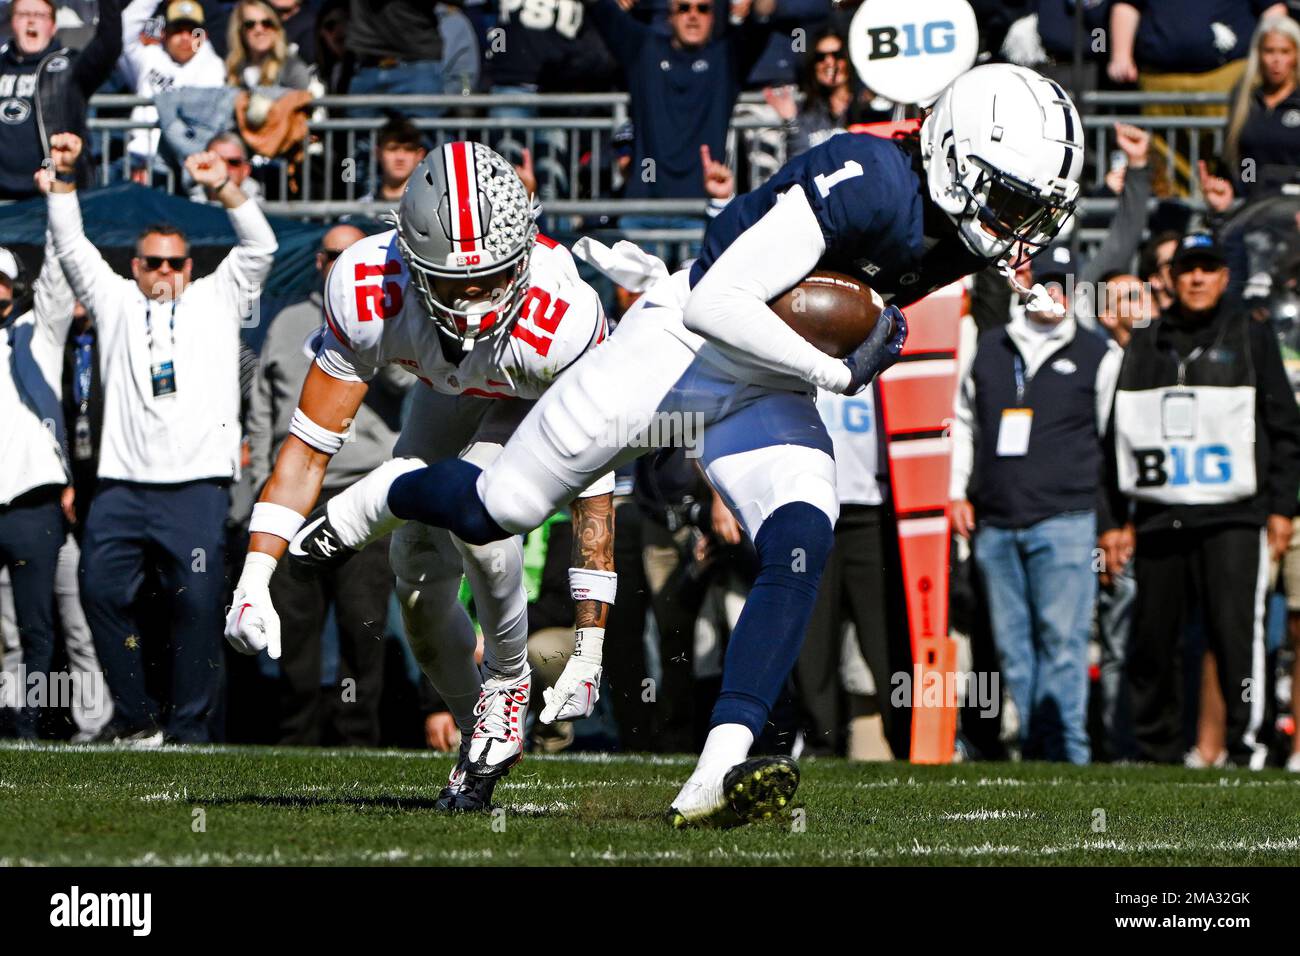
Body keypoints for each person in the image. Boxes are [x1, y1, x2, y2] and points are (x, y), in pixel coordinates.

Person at [303, 64, 1085, 825]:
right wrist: (833, 368)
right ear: (954, 158)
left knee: (800, 540)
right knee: (499, 507)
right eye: (1012, 197)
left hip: (766, 382)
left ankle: (717, 771)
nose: (1021, 222)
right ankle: (383, 494)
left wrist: (822, 363)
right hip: (680, 350)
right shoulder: (873, 178)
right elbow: (718, 301)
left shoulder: (955, 221)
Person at [224, 143, 616, 809]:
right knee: (416, 585)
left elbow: (597, 490)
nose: (474, 302)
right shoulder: (368, 287)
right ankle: (480, 737)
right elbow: (308, 449)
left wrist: (593, 640)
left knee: (490, 510)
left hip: (525, 395)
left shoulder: (562, 318)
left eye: (491, 279)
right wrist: (254, 576)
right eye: (455, 282)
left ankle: (508, 678)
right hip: (447, 388)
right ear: (406, 253)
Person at [43, 132, 278, 744]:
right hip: (121, 489)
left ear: (190, 265)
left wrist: (222, 186)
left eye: (176, 262)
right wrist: (64, 180)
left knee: (199, 609)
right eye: (153, 262)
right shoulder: (113, 298)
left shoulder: (217, 299)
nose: (165, 272)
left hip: (195, 490)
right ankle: (136, 718)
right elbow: (70, 244)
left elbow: (260, 243)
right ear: (136, 265)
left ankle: (190, 730)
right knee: (97, 590)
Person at [1100, 231, 1300, 767]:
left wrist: (1281, 507)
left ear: (1224, 276)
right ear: (1171, 277)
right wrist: (1115, 519)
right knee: (1151, 639)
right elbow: (1118, 433)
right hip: (1161, 516)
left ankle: (1246, 746)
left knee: (1237, 638)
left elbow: (1285, 427)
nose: (1196, 278)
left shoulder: (1251, 335)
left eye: (1208, 268)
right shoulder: (1147, 341)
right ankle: (1155, 750)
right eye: (1188, 268)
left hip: (1234, 516)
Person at [951, 251, 1122, 765]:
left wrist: (1111, 521)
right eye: (1045, 282)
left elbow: (1112, 440)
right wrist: (957, 490)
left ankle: (1068, 750)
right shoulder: (989, 347)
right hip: (996, 519)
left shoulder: (1099, 353)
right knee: (1013, 649)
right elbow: (963, 424)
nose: (1054, 294)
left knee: (1064, 643)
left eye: (1063, 284)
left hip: (1066, 517)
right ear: (1026, 285)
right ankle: (1033, 745)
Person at [247, 224, 410, 745]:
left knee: (363, 625)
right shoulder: (289, 321)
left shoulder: (391, 313)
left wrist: (373, 323)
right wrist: (256, 488)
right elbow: (262, 411)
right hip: (297, 493)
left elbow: (406, 382)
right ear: (319, 262)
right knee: (295, 627)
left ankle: (358, 738)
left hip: (364, 493)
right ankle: (297, 736)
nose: (341, 262)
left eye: (352, 254)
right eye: (332, 255)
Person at [587, 0, 788, 229]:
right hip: (642, 208)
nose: (693, 15)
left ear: (713, 17)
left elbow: (762, 16)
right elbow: (598, 6)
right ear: (669, 16)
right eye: (684, 8)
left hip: (700, 211)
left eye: (702, 9)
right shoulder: (643, 48)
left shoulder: (727, 58)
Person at [0, 238, 75, 739]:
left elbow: (56, 282)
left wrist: (58, 190)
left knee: (36, 627)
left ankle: (27, 730)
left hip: (32, 504)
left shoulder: (38, 332)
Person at [0, 0, 122, 199]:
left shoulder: (70, 66)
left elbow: (109, 45)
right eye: (23, 14)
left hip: (52, 193)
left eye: (40, 15)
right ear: (11, 22)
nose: (31, 21)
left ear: (53, 26)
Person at [119, 0, 226, 180]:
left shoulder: (213, 68)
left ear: (203, 35)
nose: (185, 37)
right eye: (177, 30)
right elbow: (124, 29)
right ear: (164, 34)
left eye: (192, 31)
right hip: (139, 159)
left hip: (186, 164)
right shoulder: (148, 57)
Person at [1226, 14, 1300, 199]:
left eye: (1284, 52)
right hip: (1255, 206)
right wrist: (1240, 190)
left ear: (1296, 55)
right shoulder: (1246, 99)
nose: (1276, 60)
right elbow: (1246, 160)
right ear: (1258, 54)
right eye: (1269, 51)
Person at [764, 29, 863, 159]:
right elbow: (798, 161)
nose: (829, 61)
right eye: (820, 57)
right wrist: (791, 122)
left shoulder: (865, 106)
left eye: (837, 55)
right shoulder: (805, 111)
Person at [225, 0, 317, 89]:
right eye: (250, 24)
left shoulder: (292, 69)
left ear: (276, 28)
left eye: (266, 23)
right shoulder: (233, 69)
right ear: (239, 31)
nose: (259, 30)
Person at [358, 115, 426, 205]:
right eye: (393, 149)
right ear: (378, 153)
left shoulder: (434, 210)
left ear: (420, 155)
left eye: (408, 149)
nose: (400, 157)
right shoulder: (360, 211)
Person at [189, 132, 263, 203]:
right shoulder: (188, 205)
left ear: (246, 170)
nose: (224, 168)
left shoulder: (262, 213)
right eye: (215, 162)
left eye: (233, 162)